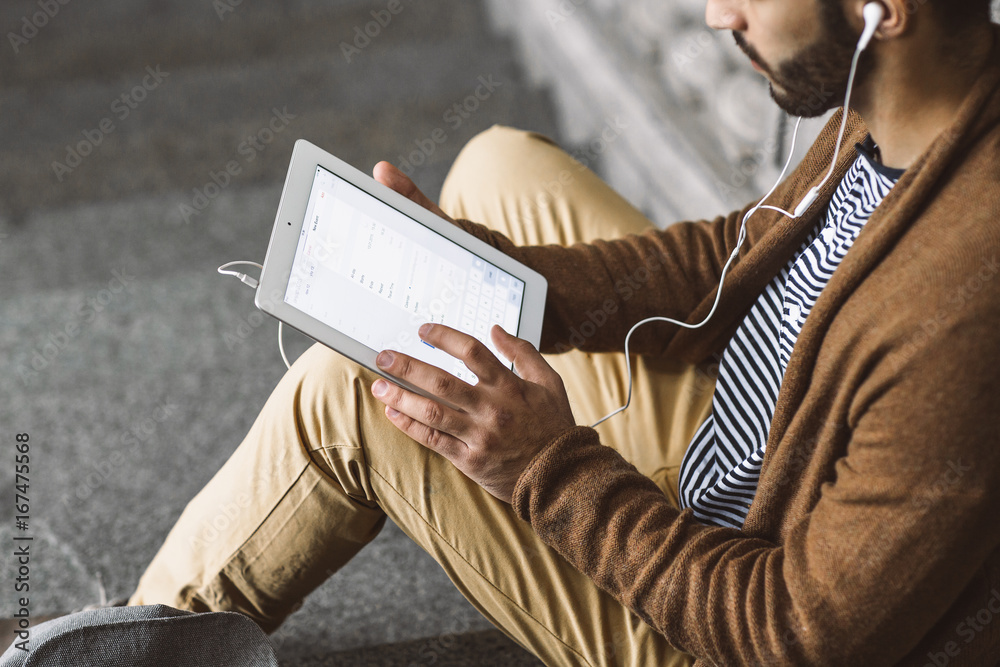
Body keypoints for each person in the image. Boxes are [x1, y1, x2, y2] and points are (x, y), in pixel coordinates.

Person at [129, 0, 1000, 664]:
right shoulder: (907, 95)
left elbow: (794, 632)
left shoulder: (962, 318)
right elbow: (741, 256)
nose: (716, 16)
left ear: (883, 11)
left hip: (734, 604)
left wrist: (545, 466)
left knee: (348, 394)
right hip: (759, 435)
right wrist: (492, 268)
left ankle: (116, 649)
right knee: (497, 163)